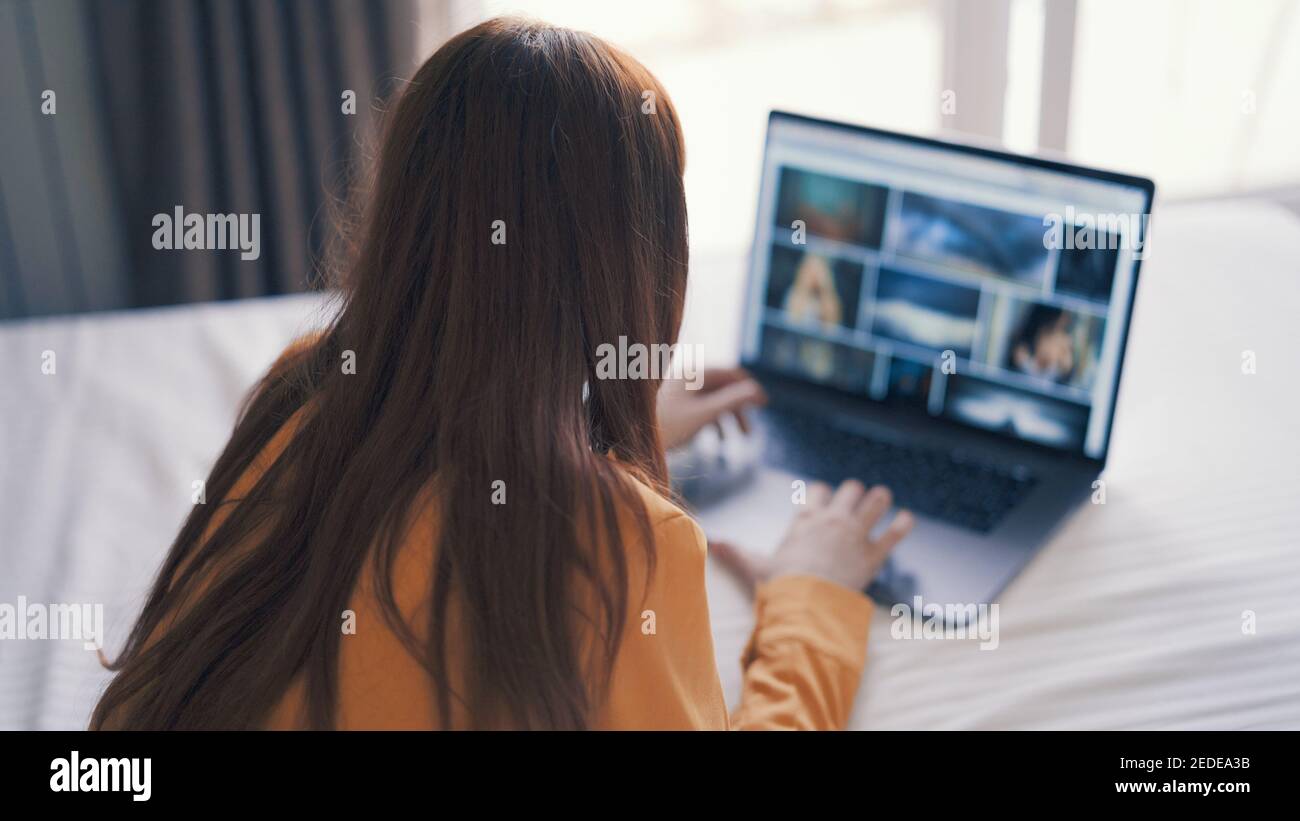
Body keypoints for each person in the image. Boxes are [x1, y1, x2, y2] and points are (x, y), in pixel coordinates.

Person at [91, 16, 912, 731]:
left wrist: (588, 421)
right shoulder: (630, 547)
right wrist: (812, 596)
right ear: (633, 268)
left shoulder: (297, 393)